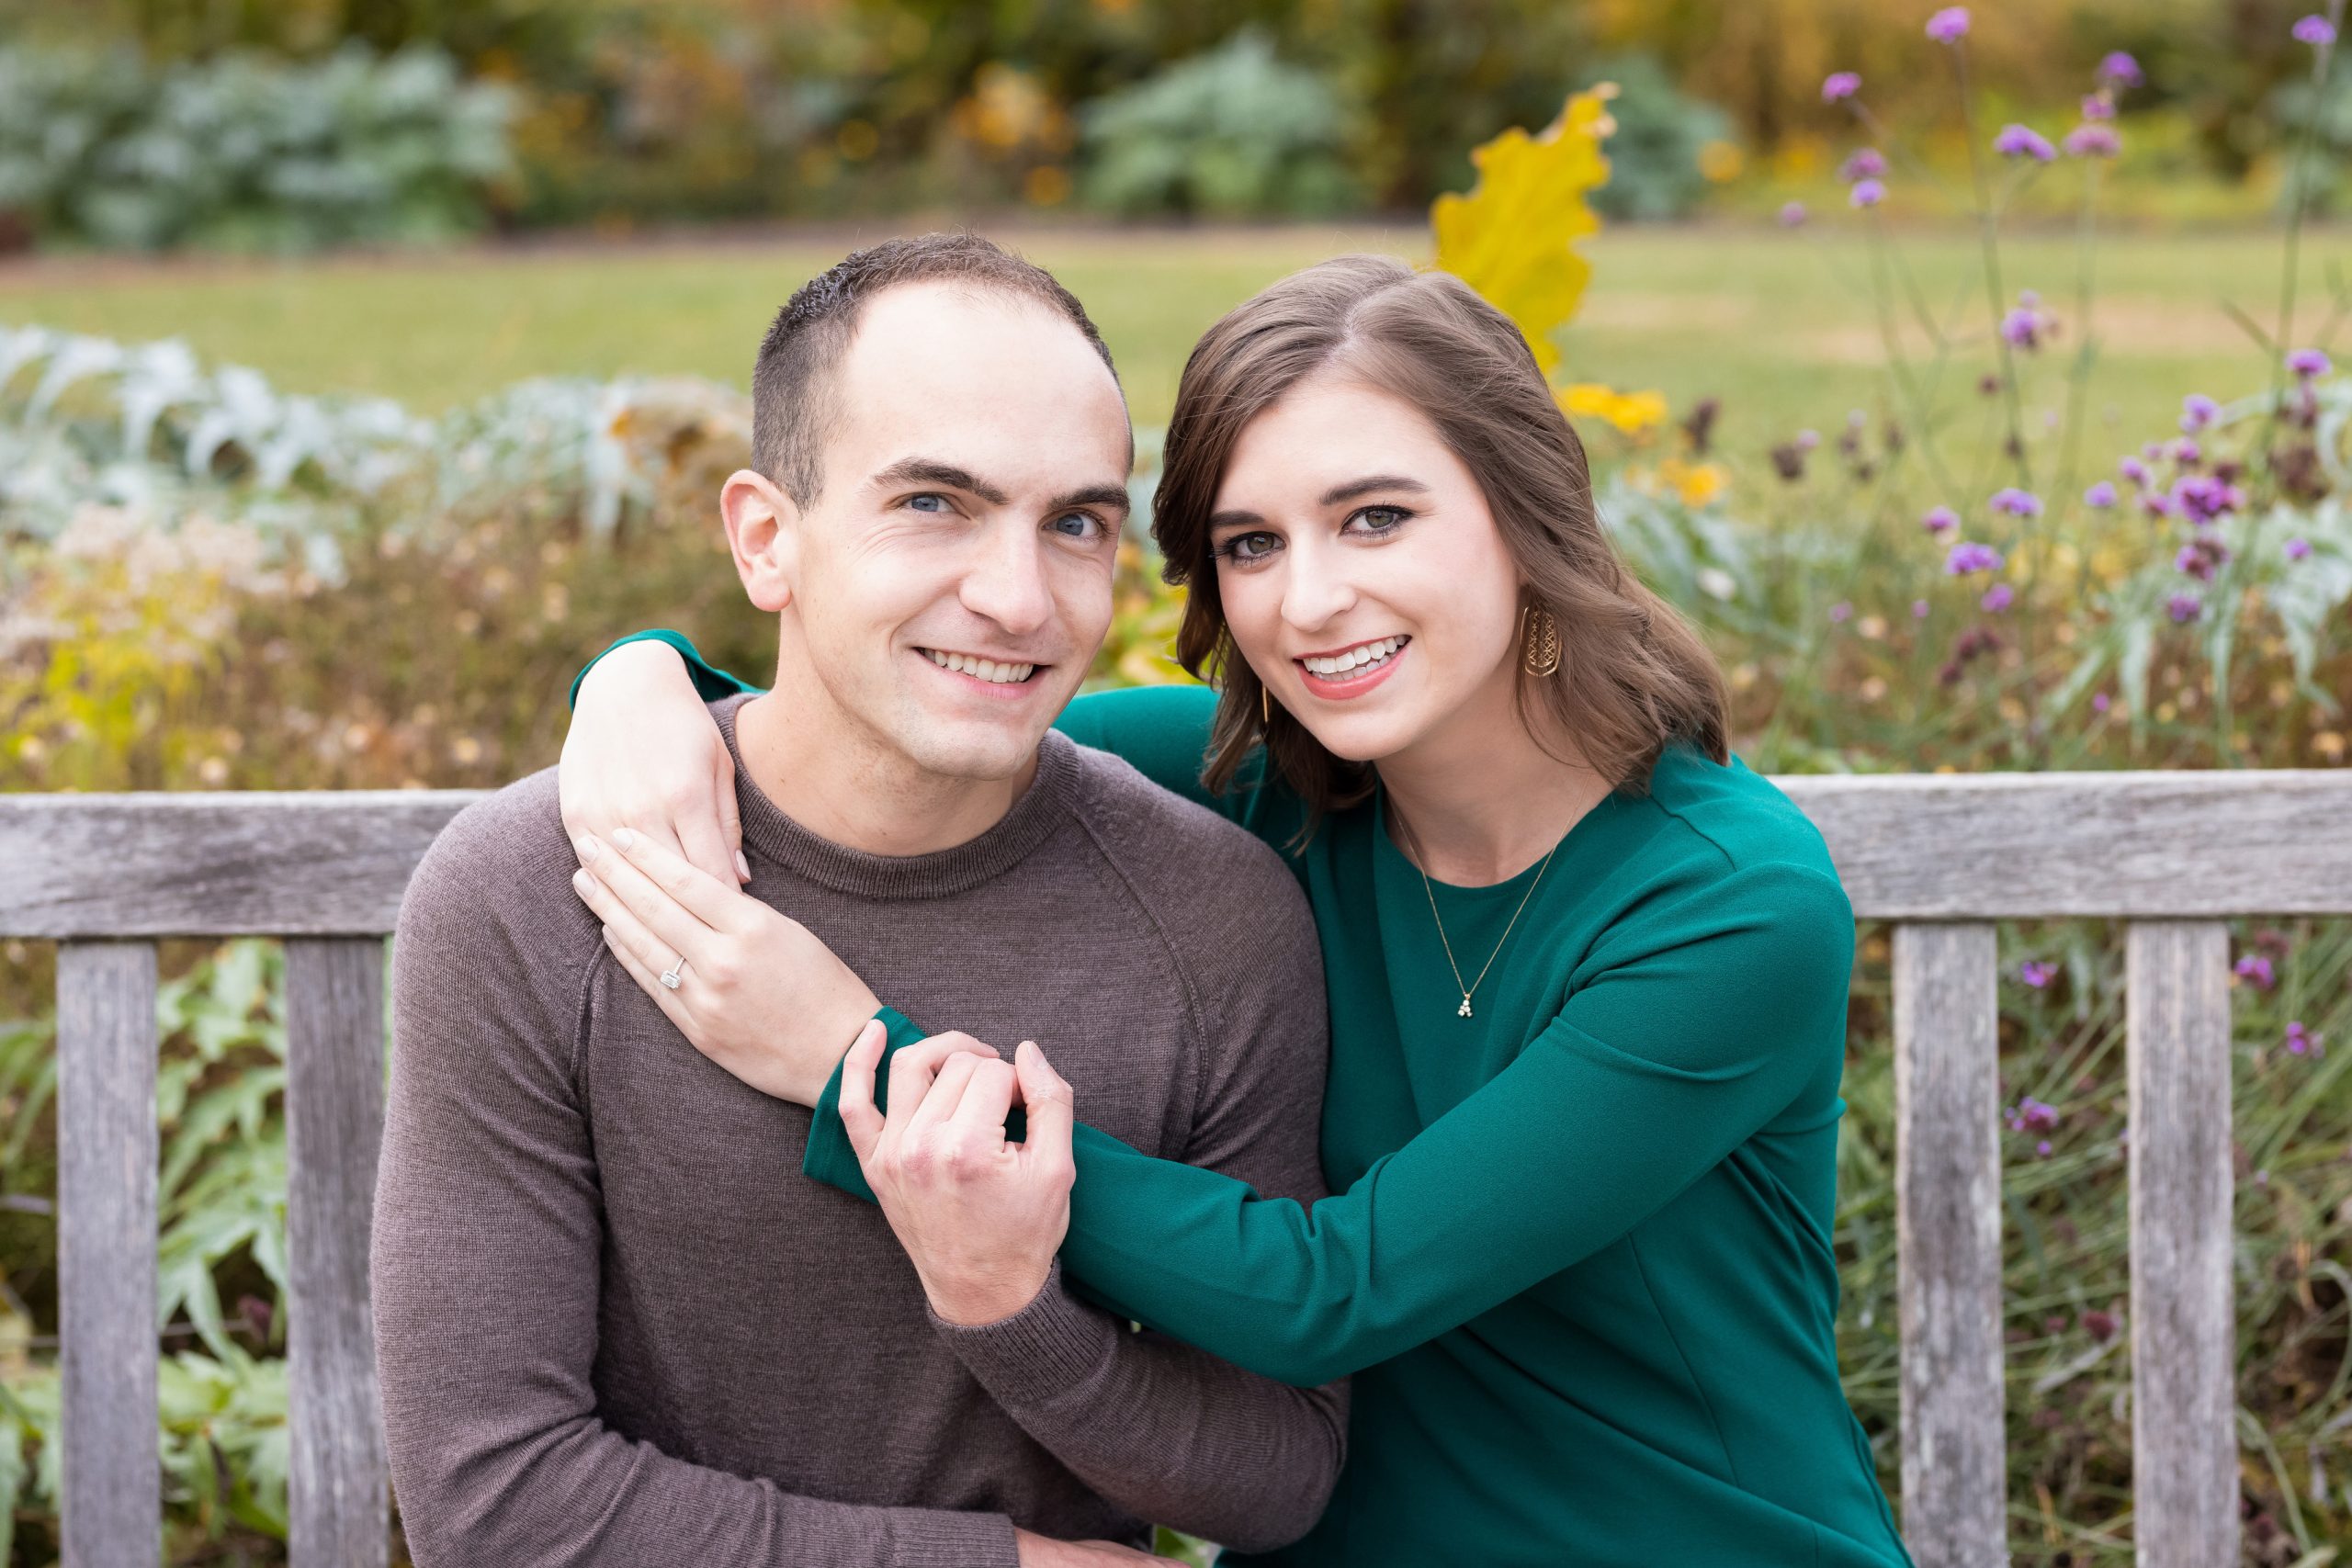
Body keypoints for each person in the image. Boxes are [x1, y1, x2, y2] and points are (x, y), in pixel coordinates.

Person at [563, 253, 1917, 1567]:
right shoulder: (1252, 790)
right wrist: (640, 678)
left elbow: (1333, 1289)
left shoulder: (1728, 905)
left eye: (1376, 517)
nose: (1313, 600)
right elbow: (893, 716)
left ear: (1522, 512)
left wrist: (853, 1063)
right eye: (1253, 544)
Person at [373, 233, 1351, 1568]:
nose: (1017, 599)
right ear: (767, 540)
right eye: (934, 504)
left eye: (1074, 522)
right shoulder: (537, 896)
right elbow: (493, 1506)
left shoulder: (1213, 918)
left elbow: (1277, 1472)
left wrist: (1011, 1309)